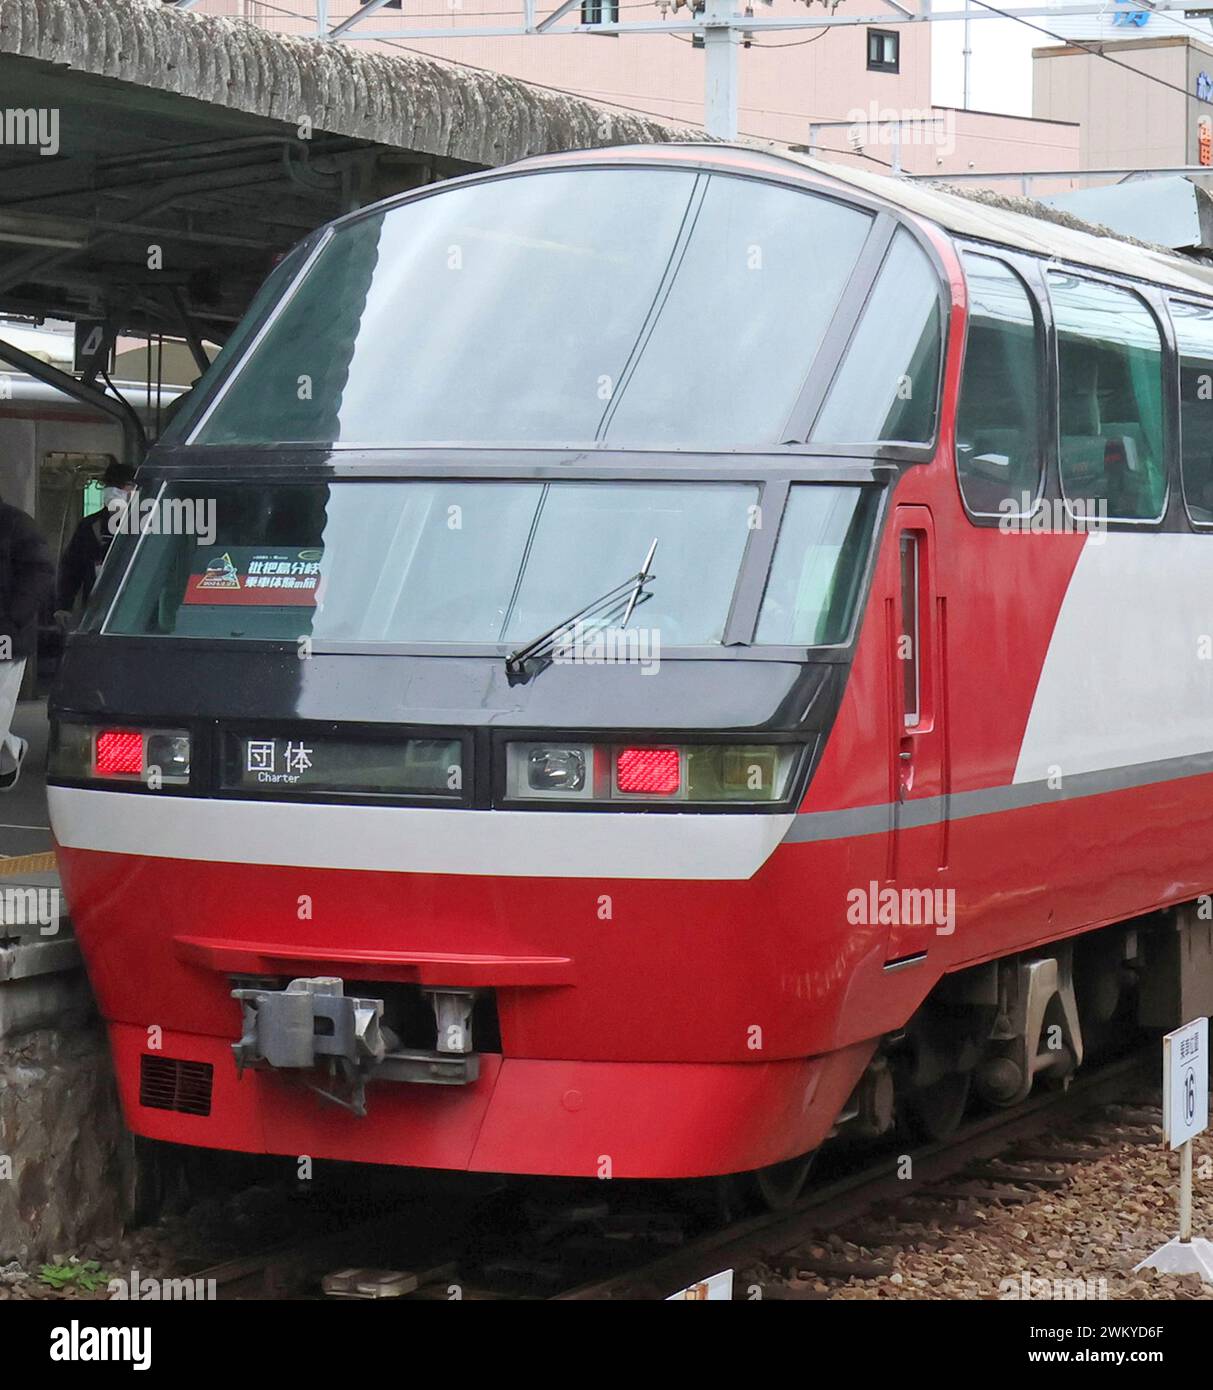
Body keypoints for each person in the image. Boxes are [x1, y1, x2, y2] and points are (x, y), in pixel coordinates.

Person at [0, 494, 54, 790]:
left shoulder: (16, 524)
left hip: (5, 637)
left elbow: (39, 573)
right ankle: (9, 746)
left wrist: (12, 618)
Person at [56, 462, 136, 616]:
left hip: (134, 607)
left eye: (123, 486)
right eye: (110, 485)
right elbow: (72, 568)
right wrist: (63, 606)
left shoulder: (150, 525)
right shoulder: (90, 526)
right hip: (95, 609)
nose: (114, 491)